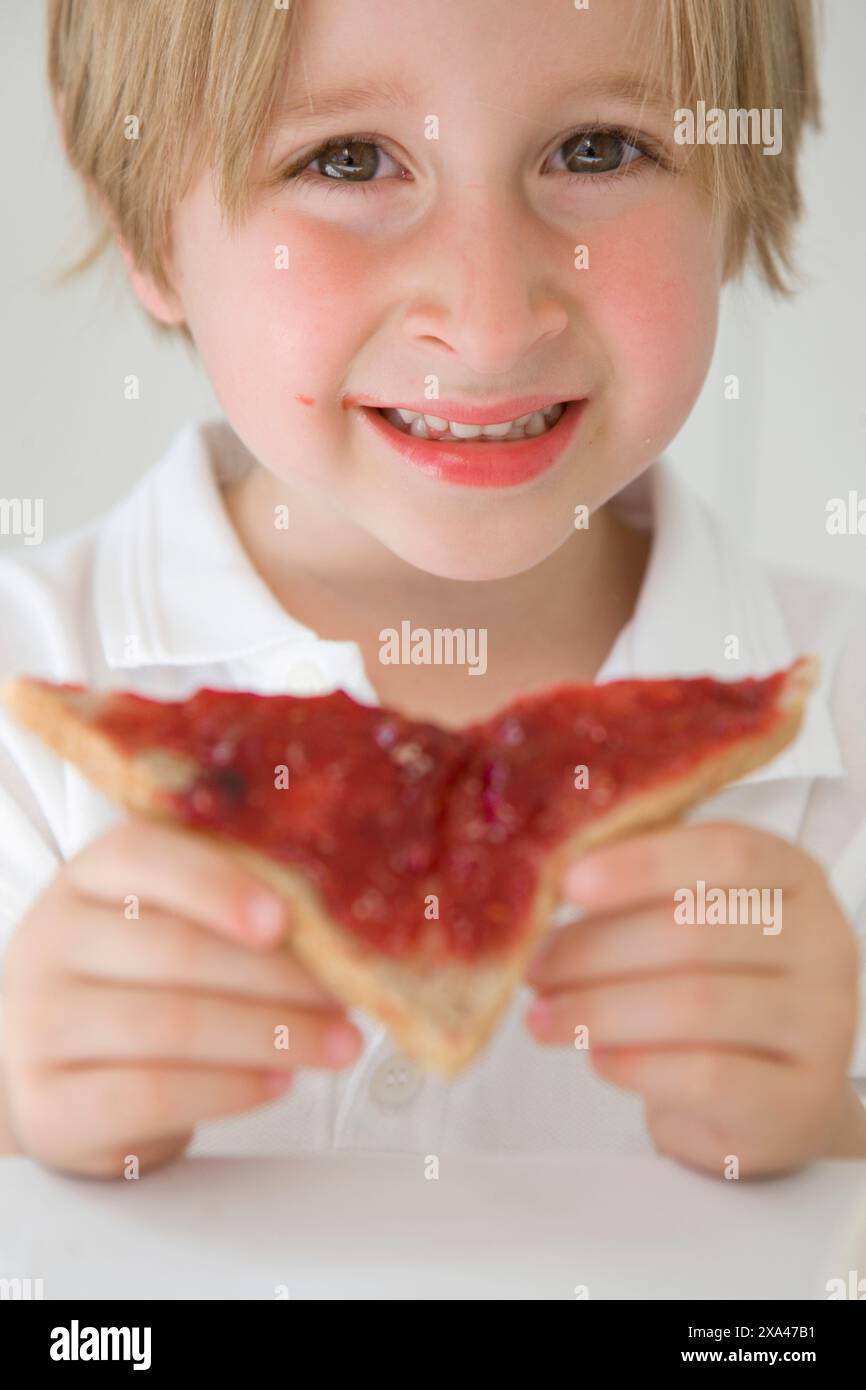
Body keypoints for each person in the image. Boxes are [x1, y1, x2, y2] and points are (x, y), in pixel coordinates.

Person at [0, 0, 863, 1180]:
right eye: (347, 160)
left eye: (597, 149)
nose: (491, 316)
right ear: (143, 223)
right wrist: (19, 1109)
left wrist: (829, 1134)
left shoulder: (840, 708)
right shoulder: (26, 688)